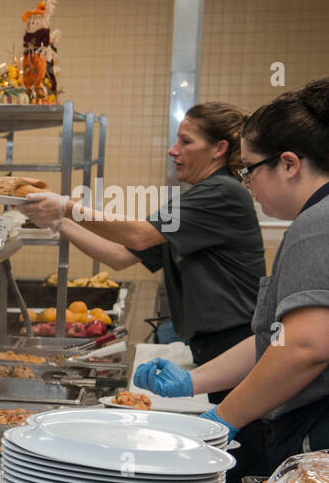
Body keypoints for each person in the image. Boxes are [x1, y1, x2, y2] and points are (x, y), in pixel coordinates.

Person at [137, 79, 329, 483]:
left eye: (250, 170)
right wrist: (194, 381)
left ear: (289, 164)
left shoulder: (318, 223)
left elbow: (305, 348)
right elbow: (276, 339)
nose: (247, 183)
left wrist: (223, 418)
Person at [21, 102, 265, 380]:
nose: (172, 150)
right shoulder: (198, 199)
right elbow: (119, 256)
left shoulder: (222, 192)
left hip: (234, 342)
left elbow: (138, 234)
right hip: (211, 345)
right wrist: (59, 223)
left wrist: (66, 207)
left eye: (185, 142)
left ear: (218, 150)